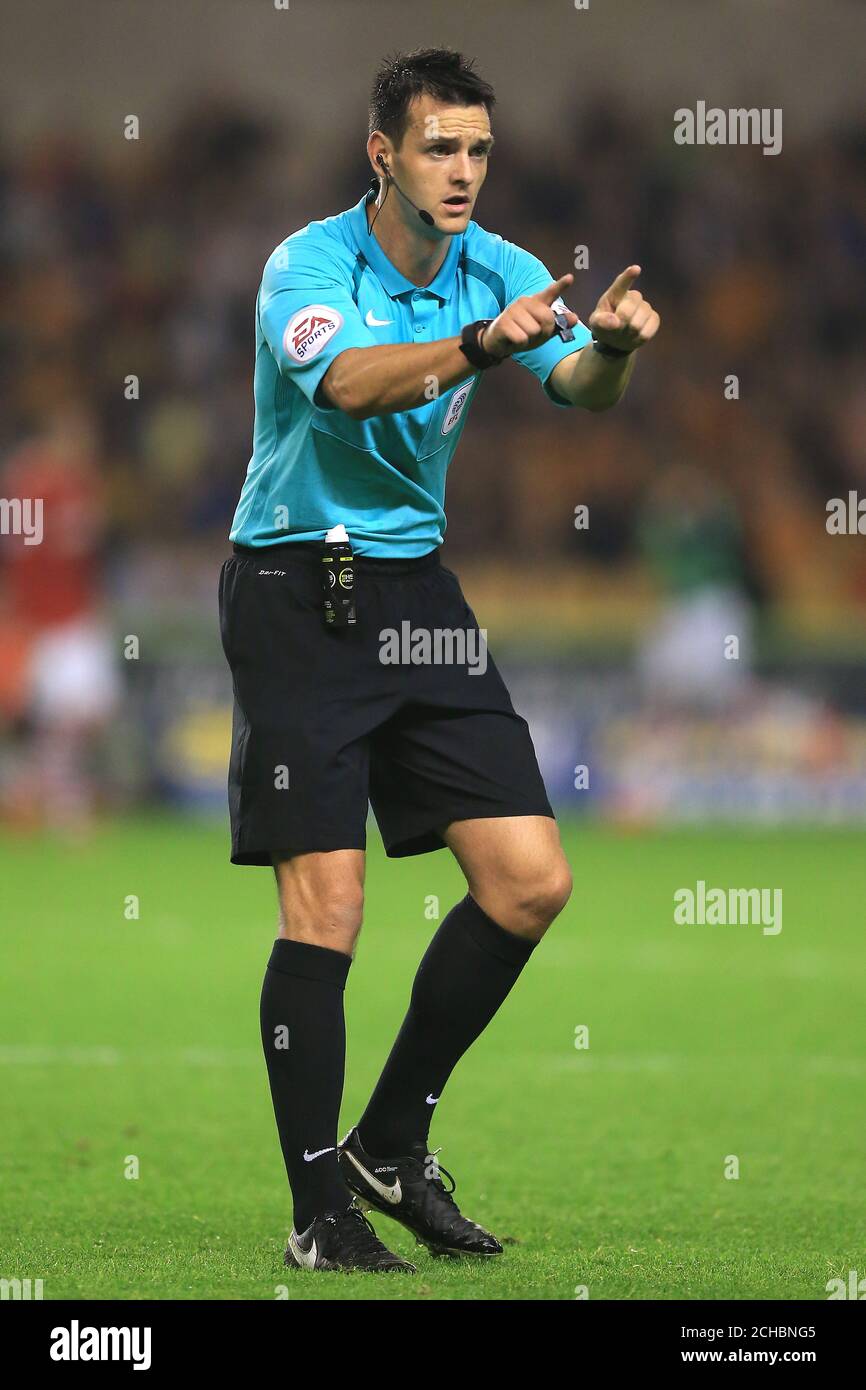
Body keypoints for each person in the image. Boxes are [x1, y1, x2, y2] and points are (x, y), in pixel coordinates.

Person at [218, 47, 660, 1274]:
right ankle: (318, 1215)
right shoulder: (307, 266)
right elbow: (349, 387)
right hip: (295, 583)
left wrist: (612, 346)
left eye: (476, 150)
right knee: (331, 904)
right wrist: (476, 344)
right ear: (383, 155)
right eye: (438, 149)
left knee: (527, 878)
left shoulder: (505, 265)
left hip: (412, 587)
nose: (462, 171)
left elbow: (575, 386)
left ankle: (388, 1147)